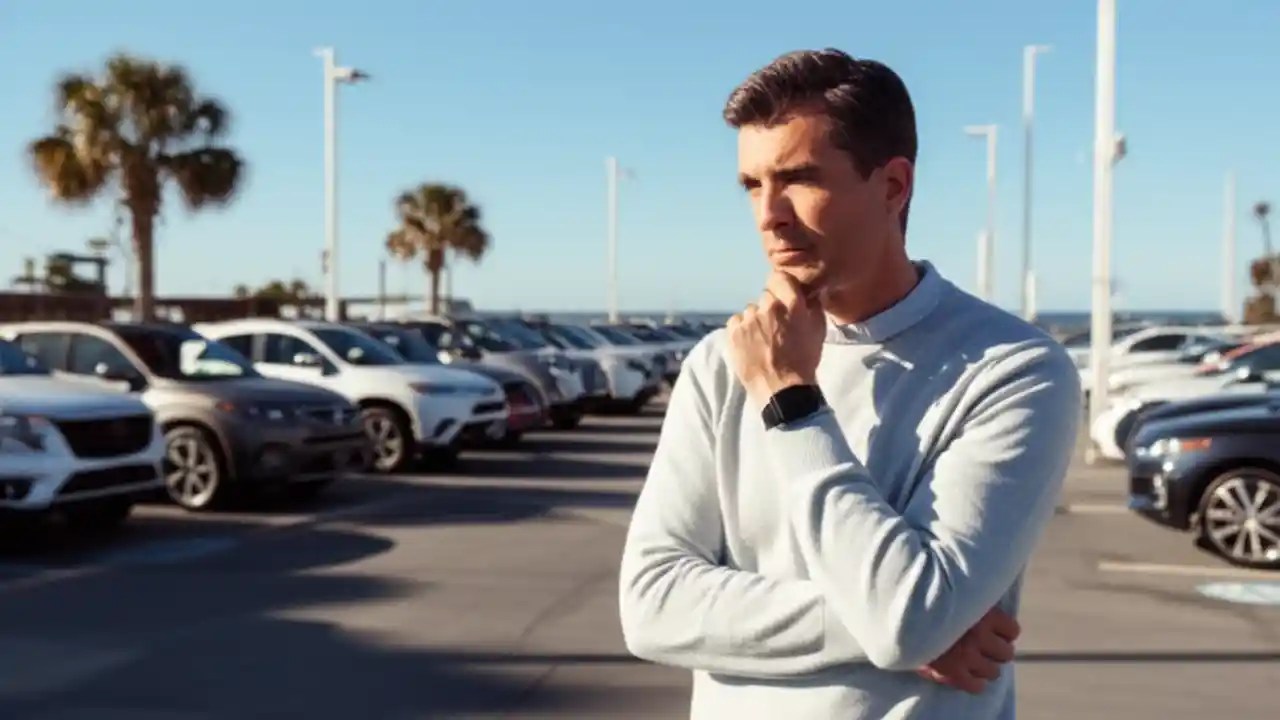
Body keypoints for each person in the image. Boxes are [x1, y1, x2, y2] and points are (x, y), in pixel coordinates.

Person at [618, 48, 1081, 719]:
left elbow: (909, 618)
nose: (769, 214)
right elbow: (651, 605)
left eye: (799, 179)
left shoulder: (1013, 370)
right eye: (752, 184)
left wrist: (789, 398)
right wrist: (893, 626)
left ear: (893, 186)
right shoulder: (721, 363)